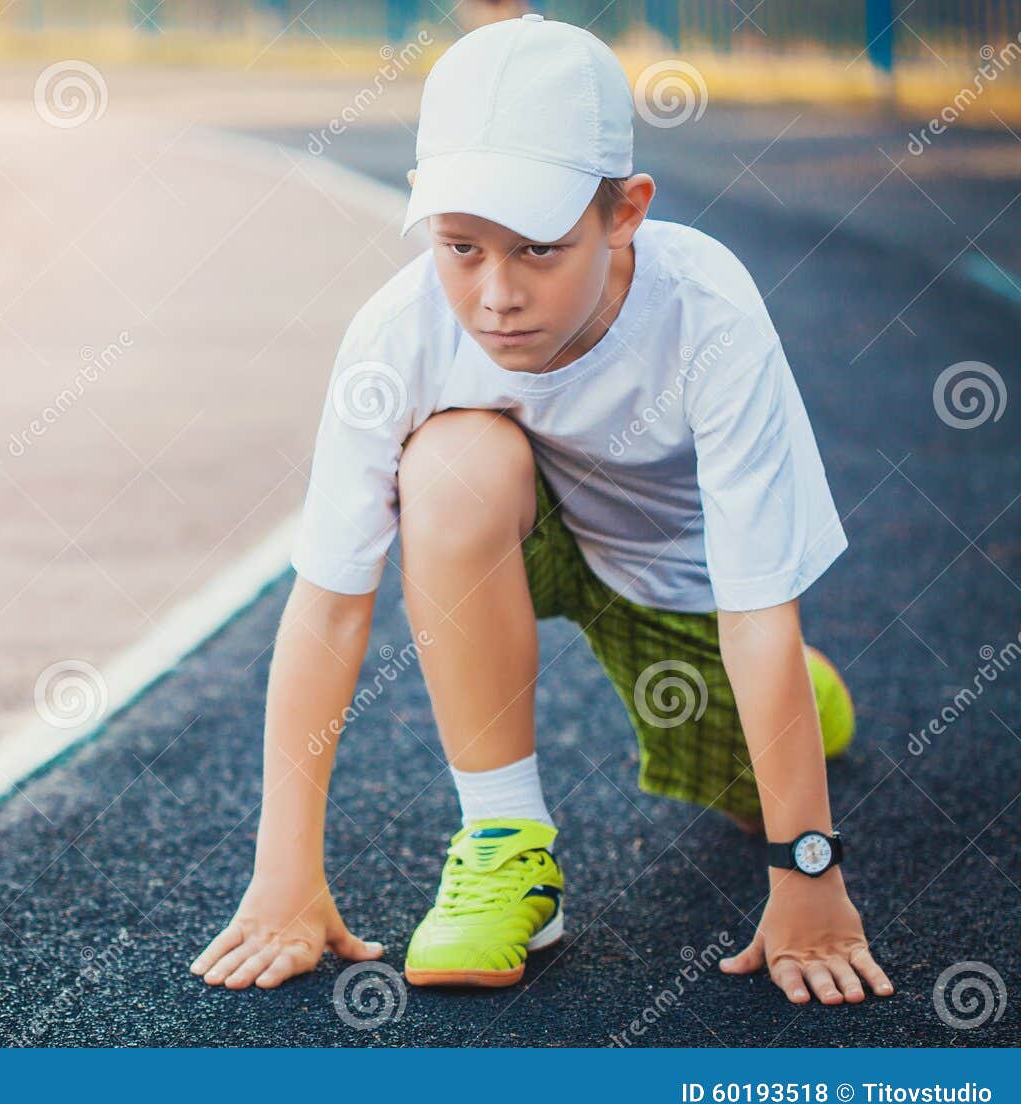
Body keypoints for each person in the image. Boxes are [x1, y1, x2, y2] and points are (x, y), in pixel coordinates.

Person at [189, 14, 894, 1005]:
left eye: (537, 250)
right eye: (461, 247)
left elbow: (753, 612)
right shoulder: (398, 334)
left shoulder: (708, 314)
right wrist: (283, 877)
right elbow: (330, 601)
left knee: (748, 791)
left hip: (683, 590)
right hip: (527, 533)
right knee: (450, 460)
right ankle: (503, 840)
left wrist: (806, 867)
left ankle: (811, 700)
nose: (495, 296)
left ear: (626, 213)